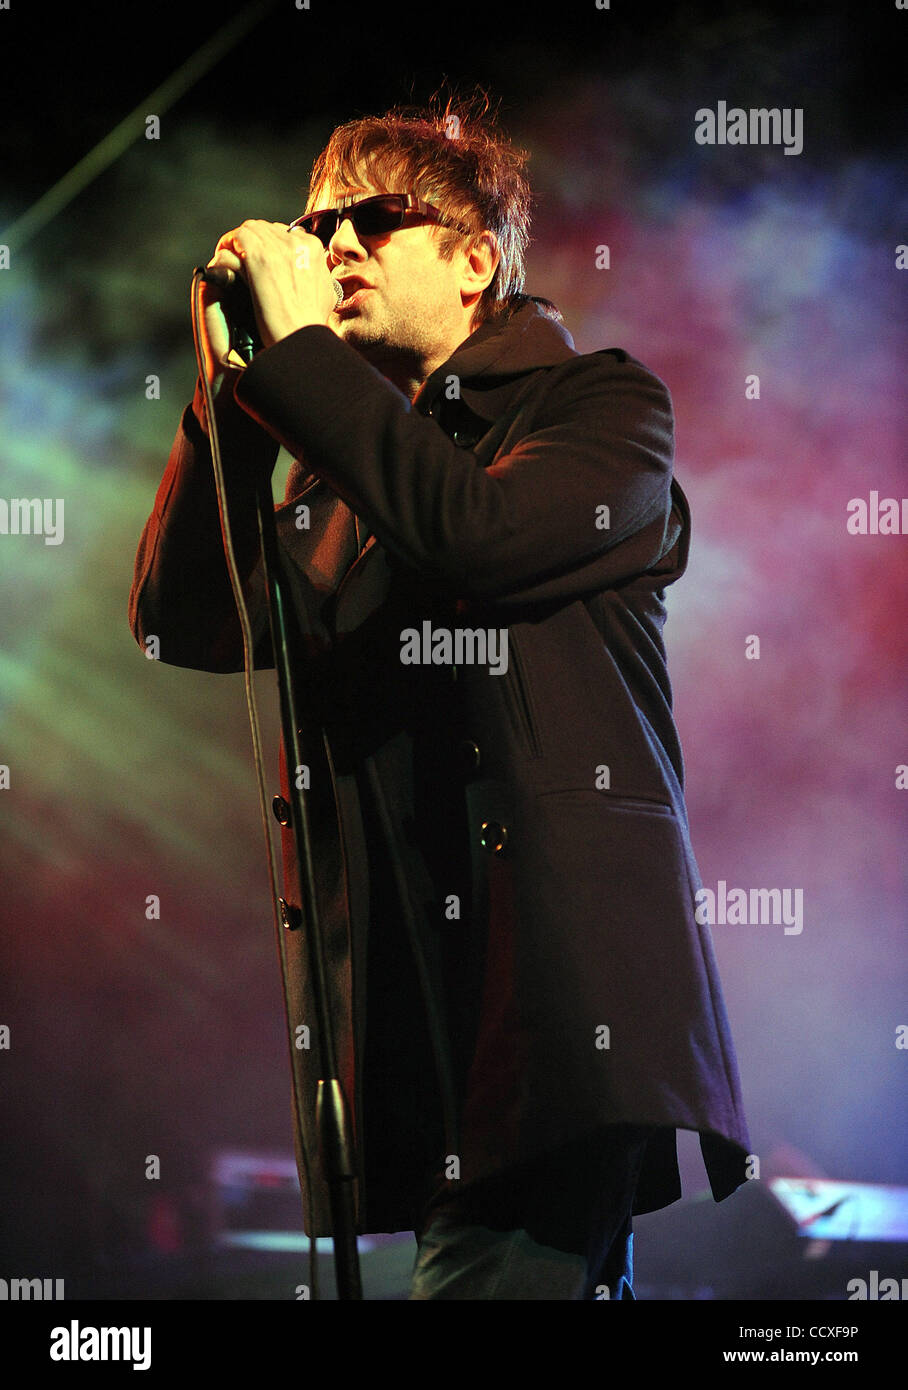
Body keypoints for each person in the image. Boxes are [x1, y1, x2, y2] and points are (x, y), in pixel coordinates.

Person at [129, 91, 750, 1300]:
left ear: (475, 263)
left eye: (370, 220)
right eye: (318, 232)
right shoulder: (336, 473)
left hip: (559, 1012)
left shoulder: (598, 408)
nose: (333, 251)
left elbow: (474, 536)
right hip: (424, 1032)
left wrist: (303, 363)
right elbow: (184, 625)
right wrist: (226, 412)